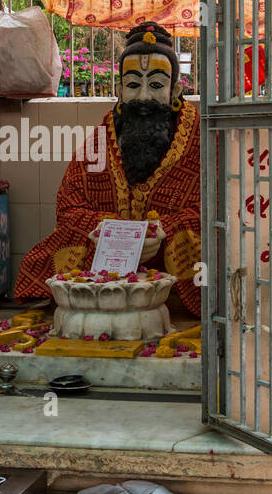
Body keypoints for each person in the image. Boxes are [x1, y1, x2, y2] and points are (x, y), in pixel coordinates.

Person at [14, 20, 201, 315]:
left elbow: (215, 209)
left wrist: (162, 232)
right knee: (51, 250)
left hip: (171, 256)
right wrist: (108, 232)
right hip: (108, 254)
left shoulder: (197, 139)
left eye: (155, 85)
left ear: (175, 89)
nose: (142, 97)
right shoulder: (103, 138)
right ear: (119, 89)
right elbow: (69, 207)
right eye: (132, 85)